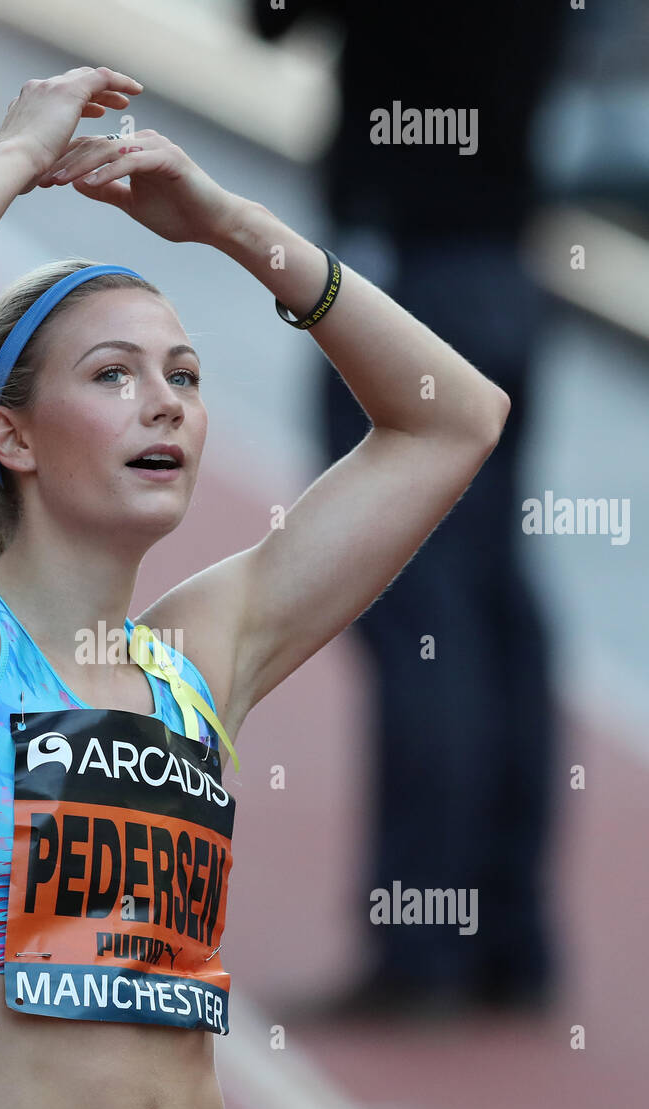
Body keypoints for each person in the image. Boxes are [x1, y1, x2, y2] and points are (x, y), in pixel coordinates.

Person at [0, 65, 510, 1109]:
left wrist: (229, 225)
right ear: (11, 436)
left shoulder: (198, 660)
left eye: (185, 377)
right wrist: (12, 157)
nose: (167, 405)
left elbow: (450, 419)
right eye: (115, 375)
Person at [250, 0, 565, 1018]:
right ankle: (508, 933)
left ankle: (423, 942)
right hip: (497, 261)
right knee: (492, 596)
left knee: (412, 602)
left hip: (407, 269)